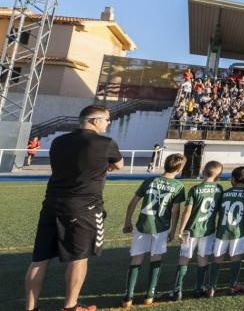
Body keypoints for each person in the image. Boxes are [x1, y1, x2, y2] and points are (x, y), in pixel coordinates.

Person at [25, 105, 124, 311]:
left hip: (52, 203)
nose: (108, 123)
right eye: (107, 119)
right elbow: (119, 165)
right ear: (95, 120)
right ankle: (70, 307)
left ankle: (31, 308)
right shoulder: (105, 143)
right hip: (83, 207)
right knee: (79, 258)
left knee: (39, 259)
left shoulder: (58, 141)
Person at [121, 154, 187, 308]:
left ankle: (128, 297)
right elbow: (175, 211)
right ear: (179, 169)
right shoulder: (178, 186)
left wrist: (127, 222)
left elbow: (133, 203)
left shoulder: (149, 180)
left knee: (136, 259)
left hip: (142, 224)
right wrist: (173, 230)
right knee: (155, 258)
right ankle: (149, 295)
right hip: (161, 227)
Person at [170, 160, 223, 301]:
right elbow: (219, 210)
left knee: (184, 258)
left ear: (203, 171)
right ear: (219, 176)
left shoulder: (195, 189)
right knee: (203, 258)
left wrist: (181, 229)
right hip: (208, 230)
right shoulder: (219, 189)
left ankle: (178, 290)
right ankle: (199, 288)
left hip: (191, 230)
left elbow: (187, 211)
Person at [212, 166, 244, 295]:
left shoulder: (224, 193)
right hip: (237, 231)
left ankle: (211, 286)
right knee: (235, 257)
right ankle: (233, 285)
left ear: (233, 179)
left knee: (217, 257)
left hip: (222, 230)